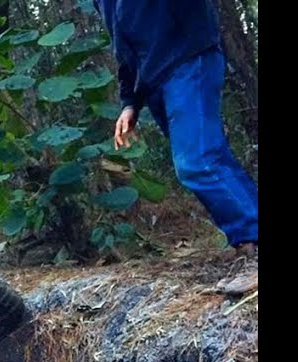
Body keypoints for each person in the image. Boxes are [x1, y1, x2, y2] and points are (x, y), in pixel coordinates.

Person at [95, 0, 258, 269]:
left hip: (189, 58)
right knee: (208, 158)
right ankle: (247, 241)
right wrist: (129, 103)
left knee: (198, 163)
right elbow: (123, 48)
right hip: (156, 80)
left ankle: (252, 236)